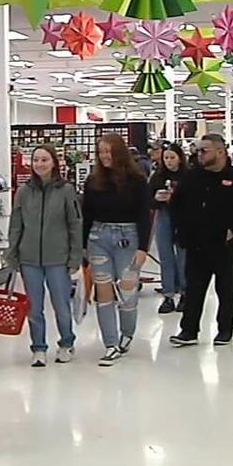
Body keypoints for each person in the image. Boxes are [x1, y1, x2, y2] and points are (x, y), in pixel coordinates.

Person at [168, 134, 233, 347]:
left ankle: (225, 329)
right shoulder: (191, 178)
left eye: (204, 150)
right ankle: (188, 330)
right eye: (198, 150)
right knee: (193, 289)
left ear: (220, 152)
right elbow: (177, 206)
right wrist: (181, 232)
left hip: (224, 244)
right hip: (195, 243)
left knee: (226, 289)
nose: (199, 154)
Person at [6, 146, 82, 367]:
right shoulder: (23, 192)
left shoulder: (66, 190)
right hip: (29, 258)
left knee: (61, 304)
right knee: (34, 307)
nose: (40, 164)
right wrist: (12, 254)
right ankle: (38, 347)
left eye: (44, 160)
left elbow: (75, 225)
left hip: (58, 258)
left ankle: (66, 343)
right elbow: (16, 225)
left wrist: (75, 257)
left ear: (54, 162)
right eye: (36, 160)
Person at [82, 132, 151, 365]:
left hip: (128, 238)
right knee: (103, 291)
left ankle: (127, 334)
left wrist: (143, 247)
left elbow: (144, 215)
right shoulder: (92, 181)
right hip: (98, 238)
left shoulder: (138, 181)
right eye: (101, 152)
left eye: (108, 152)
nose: (104, 157)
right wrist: (83, 248)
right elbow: (87, 216)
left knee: (127, 288)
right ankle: (110, 343)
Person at [149, 144, 189, 315]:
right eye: (166, 158)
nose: (169, 161)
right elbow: (148, 200)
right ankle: (168, 295)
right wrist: (157, 198)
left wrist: (178, 198)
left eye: (172, 157)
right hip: (164, 216)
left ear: (180, 158)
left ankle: (185, 293)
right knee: (165, 256)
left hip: (183, 218)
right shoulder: (157, 177)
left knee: (183, 257)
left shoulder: (188, 176)